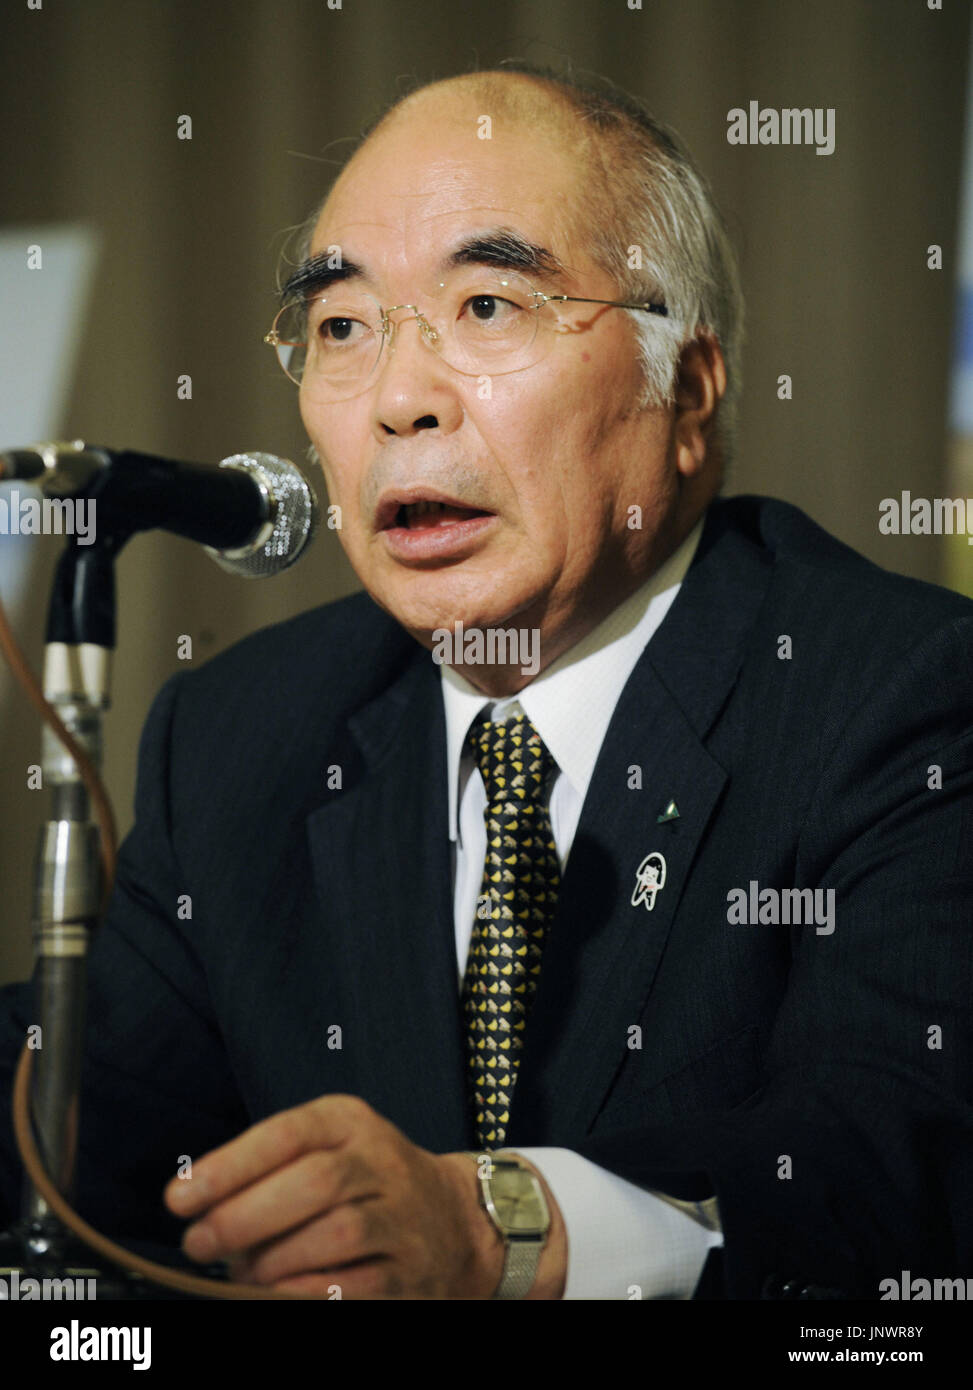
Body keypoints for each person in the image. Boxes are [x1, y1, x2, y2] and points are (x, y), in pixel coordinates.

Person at [2, 64, 973, 1301]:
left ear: (685, 388)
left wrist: (500, 1229)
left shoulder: (899, 694)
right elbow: (93, 1126)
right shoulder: (241, 732)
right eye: (343, 328)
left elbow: (902, 1164)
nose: (401, 399)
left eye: (488, 307)